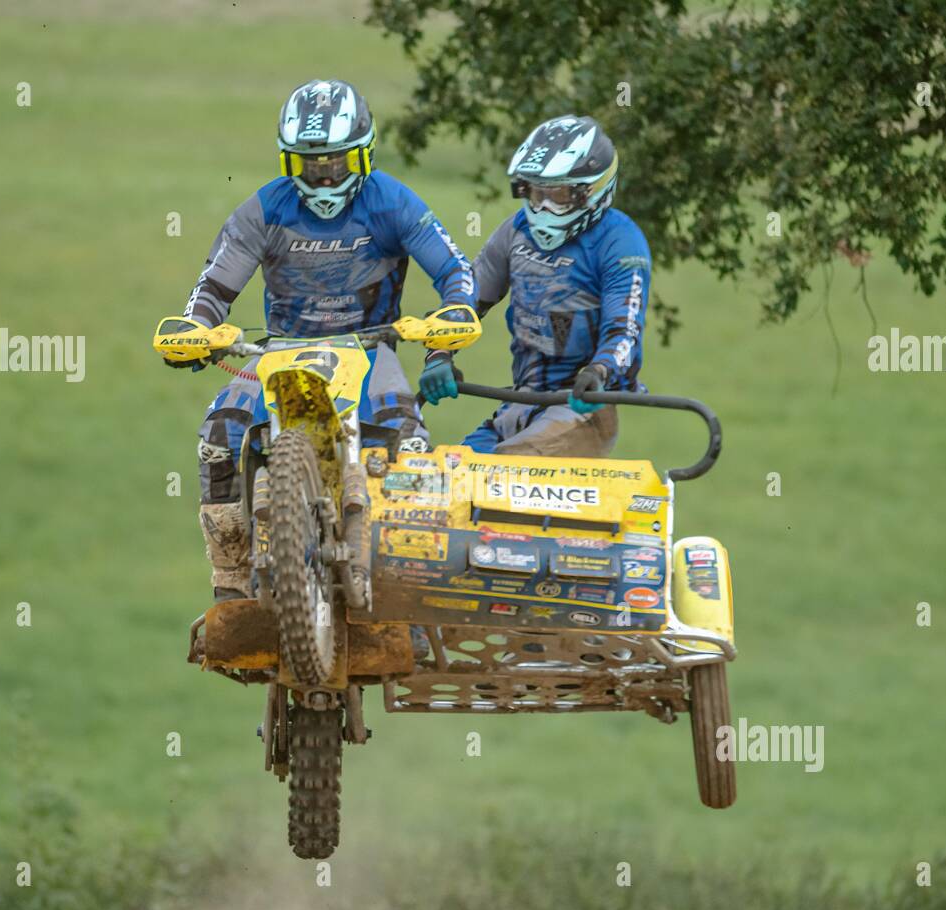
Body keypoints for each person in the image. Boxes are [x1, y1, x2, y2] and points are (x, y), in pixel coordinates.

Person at [167, 79, 475, 599]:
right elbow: (214, 286)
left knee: (410, 442)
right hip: (279, 350)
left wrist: (443, 338)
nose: (325, 174)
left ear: (364, 153)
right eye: (309, 164)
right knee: (219, 436)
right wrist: (196, 329)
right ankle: (231, 581)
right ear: (289, 162)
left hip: (371, 348)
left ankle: (412, 592)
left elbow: (456, 273)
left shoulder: (393, 202)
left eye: (337, 161)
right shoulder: (264, 208)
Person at [418, 115, 650, 458]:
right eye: (535, 192)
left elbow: (625, 330)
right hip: (521, 403)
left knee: (501, 472)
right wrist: (440, 352)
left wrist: (599, 371)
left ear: (593, 191)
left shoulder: (621, 242)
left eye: (557, 194)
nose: (542, 206)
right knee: (448, 475)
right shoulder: (516, 231)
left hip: (584, 409)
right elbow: (468, 298)